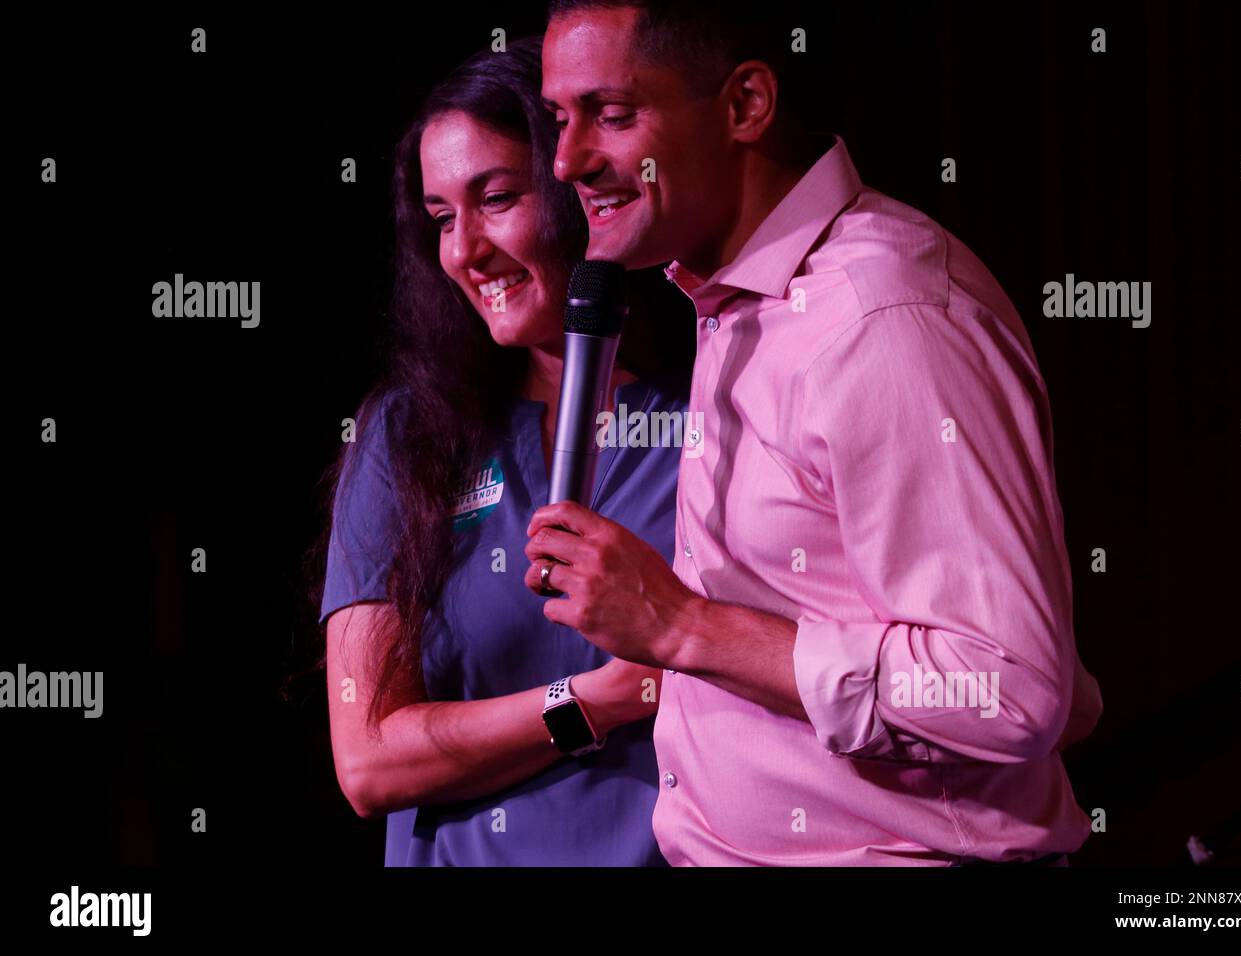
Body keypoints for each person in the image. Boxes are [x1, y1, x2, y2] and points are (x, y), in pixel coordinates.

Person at [525, 0, 1103, 865]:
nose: (567, 160)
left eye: (612, 115)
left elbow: (1012, 689)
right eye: (558, 120)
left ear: (744, 105)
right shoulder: (735, 299)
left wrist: (683, 626)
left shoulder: (884, 318)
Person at [313, 35, 693, 866]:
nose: (462, 251)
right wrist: (598, 700)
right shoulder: (410, 434)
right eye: (443, 217)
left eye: (495, 199)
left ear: (577, 192)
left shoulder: (712, 410)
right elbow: (369, 760)